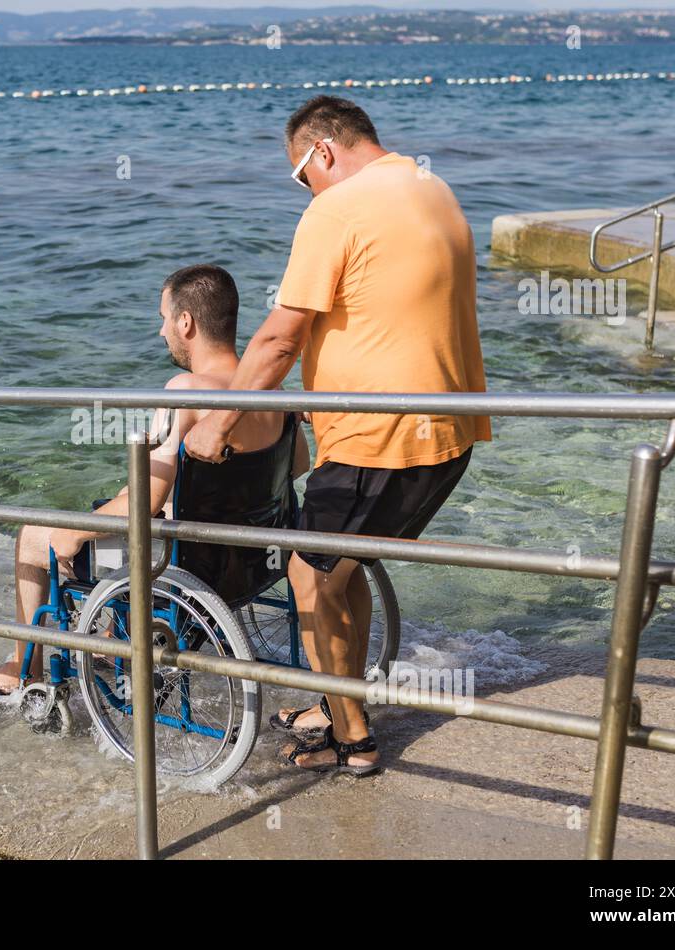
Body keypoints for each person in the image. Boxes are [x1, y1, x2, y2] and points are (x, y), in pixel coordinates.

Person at [184, 96, 491, 775]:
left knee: (308, 575)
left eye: (300, 176)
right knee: (337, 570)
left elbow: (278, 338)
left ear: (322, 152)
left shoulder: (339, 206)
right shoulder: (428, 185)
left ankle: (353, 740)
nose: (305, 190)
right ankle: (336, 704)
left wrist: (217, 421)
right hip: (446, 432)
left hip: (382, 437)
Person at [0, 264, 305, 695]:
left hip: (193, 564)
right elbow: (297, 466)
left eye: (164, 318)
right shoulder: (275, 391)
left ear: (185, 322)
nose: (161, 331)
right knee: (119, 505)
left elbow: (148, 499)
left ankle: (24, 668)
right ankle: (115, 641)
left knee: (35, 536)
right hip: (254, 559)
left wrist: (76, 533)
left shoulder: (185, 389)